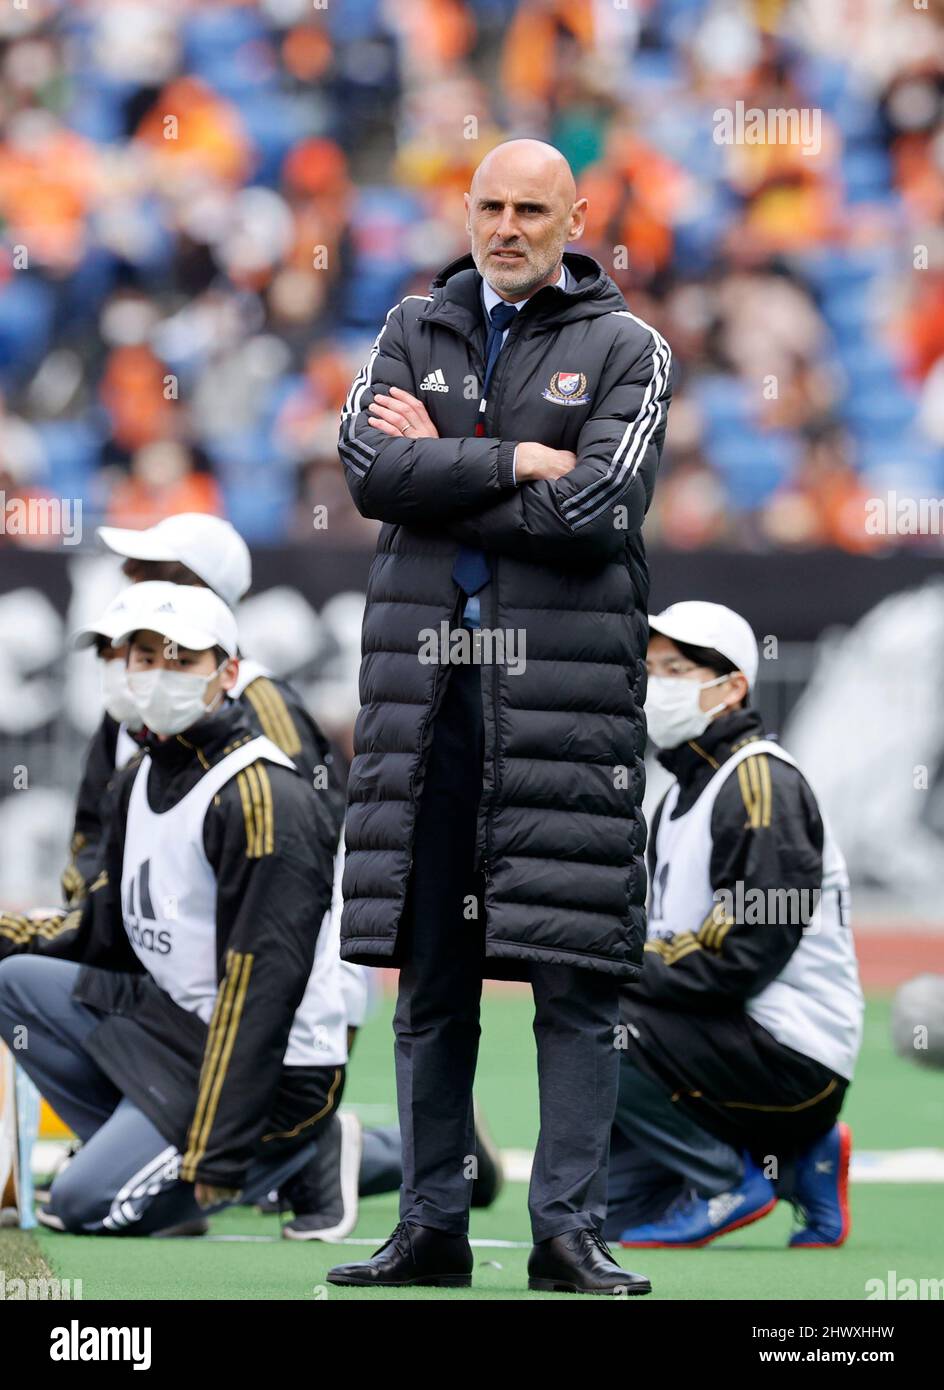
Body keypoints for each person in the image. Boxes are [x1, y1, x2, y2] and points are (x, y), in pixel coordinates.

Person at [329, 138, 672, 1294]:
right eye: (490, 205)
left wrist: (455, 474)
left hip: (560, 711)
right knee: (430, 979)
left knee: (575, 980)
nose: (508, 224)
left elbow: (595, 509)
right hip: (426, 701)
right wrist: (518, 458)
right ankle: (428, 1227)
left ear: (576, 216)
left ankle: (564, 1233)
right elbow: (369, 472)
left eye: (533, 206)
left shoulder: (629, 347)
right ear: (464, 211)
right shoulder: (408, 325)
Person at [0, 583, 347, 1235]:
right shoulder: (138, 776)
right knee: (15, 980)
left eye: (180, 660)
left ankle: (274, 1159)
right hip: (176, 1030)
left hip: (271, 1071)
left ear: (229, 673)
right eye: (139, 657)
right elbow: (101, 935)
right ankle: (143, 1148)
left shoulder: (264, 799)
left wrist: (216, 1161)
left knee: (83, 1204)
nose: (153, 675)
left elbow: (258, 998)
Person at [604, 601, 864, 1249]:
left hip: (791, 1054)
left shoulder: (759, 783)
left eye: (677, 669)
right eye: (652, 669)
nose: (656, 685)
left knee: (595, 1011)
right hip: (724, 1035)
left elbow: (741, 953)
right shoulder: (674, 800)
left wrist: (617, 960)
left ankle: (727, 1178)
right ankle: (803, 1155)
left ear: (733, 686)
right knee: (600, 1221)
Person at [62, 512, 345, 905]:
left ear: (199, 592)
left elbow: (309, 835)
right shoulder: (127, 699)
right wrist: (93, 913)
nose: (132, 590)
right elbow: (91, 828)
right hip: (137, 945)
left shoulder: (262, 698)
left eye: (149, 577)